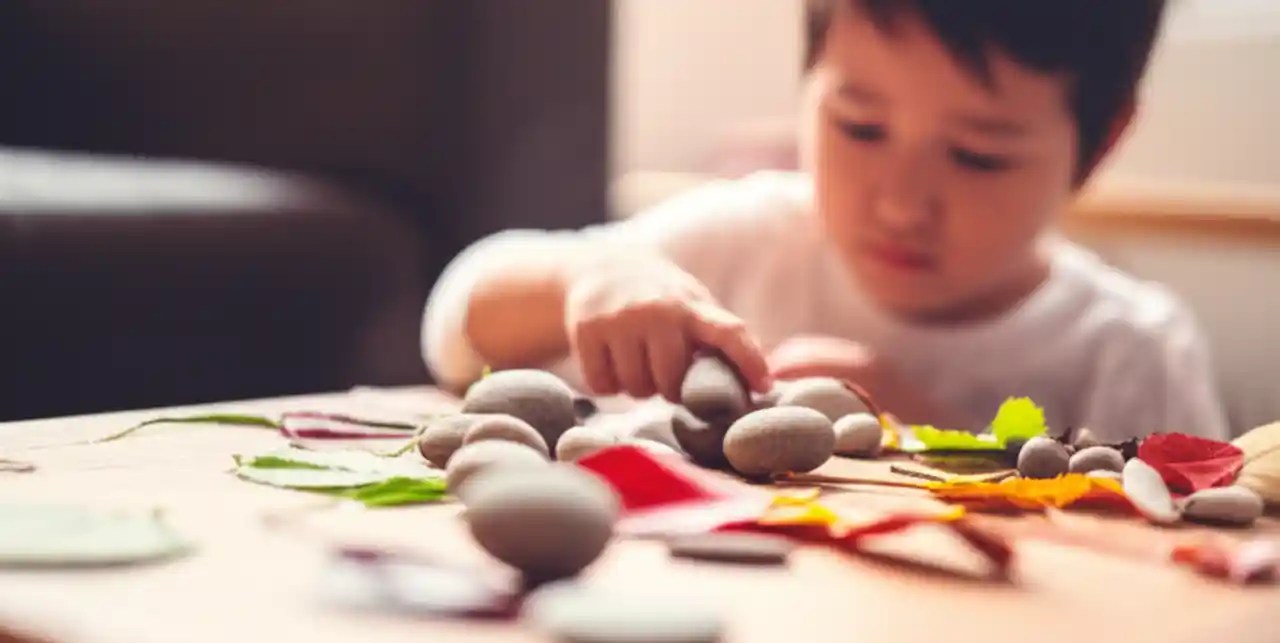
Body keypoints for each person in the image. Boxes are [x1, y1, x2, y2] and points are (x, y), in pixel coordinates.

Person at [422, 0, 1229, 441]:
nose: (901, 202)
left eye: (978, 155)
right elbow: (457, 323)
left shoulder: (1131, 354)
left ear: (1102, 142)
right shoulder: (741, 240)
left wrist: (934, 438)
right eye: (860, 128)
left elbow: (1188, 591)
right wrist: (588, 280)